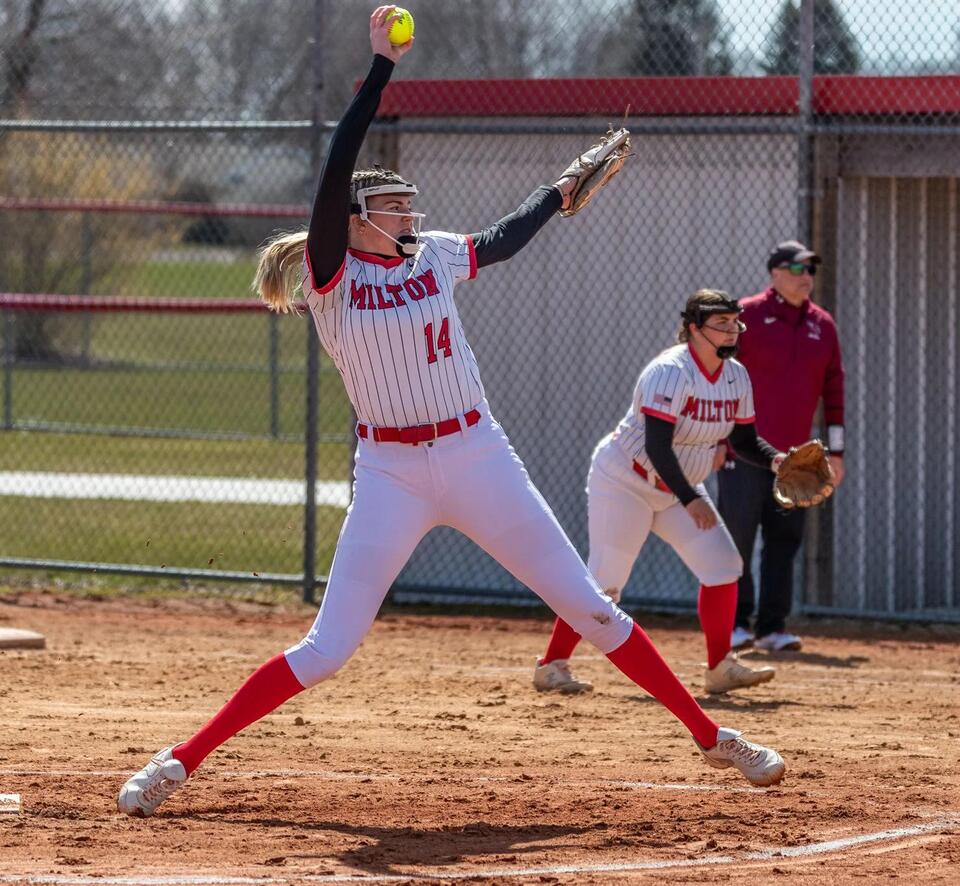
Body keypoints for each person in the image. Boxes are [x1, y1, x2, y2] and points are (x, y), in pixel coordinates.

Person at [116, 6, 785, 818]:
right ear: (357, 222)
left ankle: (714, 739)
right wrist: (381, 68)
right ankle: (179, 761)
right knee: (327, 650)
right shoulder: (334, 276)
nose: (410, 215)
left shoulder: (432, 256)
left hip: (476, 455)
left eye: (408, 205)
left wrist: (557, 192)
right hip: (392, 471)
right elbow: (336, 168)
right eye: (393, 207)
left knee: (590, 607)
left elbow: (502, 239)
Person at [534, 290, 787, 696]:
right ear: (692, 329)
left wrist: (779, 462)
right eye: (719, 323)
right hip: (625, 481)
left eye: (734, 322)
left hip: (676, 487)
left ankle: (720, 667)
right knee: (605, 583)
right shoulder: (669, 371)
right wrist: (692, 499)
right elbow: (657, 447)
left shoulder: (736, 376)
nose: (731, 331)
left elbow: (743, 440)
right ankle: (552, 665)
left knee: (723, 564)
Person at [718, 241, 845, 653]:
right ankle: (736, 624)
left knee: (784, 541)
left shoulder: (823, 325)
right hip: (743, 450)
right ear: (774, 272)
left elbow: (834, 389)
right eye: (796, 267)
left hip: (797, 460)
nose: (806, 276)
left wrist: (837, 452)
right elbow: (720, 377)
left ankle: (772, 628)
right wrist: (719, 439)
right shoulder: (747, 316)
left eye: (811, 268)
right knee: (736, 539)